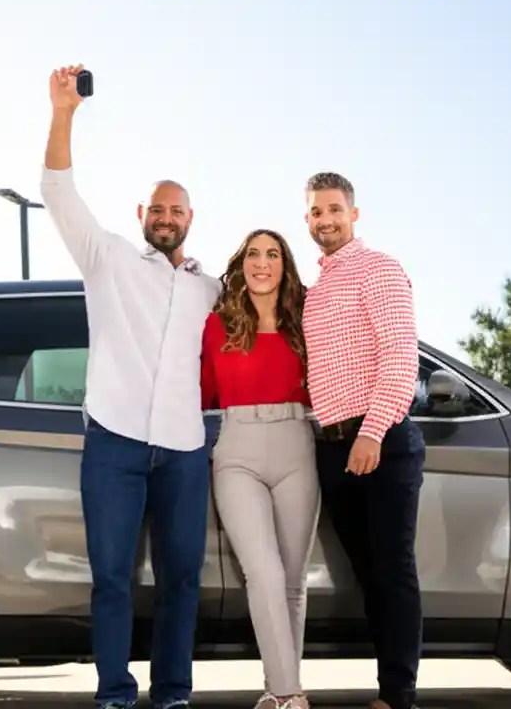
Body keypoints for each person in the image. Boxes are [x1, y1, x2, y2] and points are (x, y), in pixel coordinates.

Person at [39, 63, 221, 709]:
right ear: (142, 213)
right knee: (112, 579)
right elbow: (58, 192)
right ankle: (114, 692)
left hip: (183, 451)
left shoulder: (209, 287)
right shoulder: (107, 258)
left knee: (182, 580)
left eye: (178, 210)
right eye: (158, 208)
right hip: (113, 445)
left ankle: (172, 692)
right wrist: (64, 113)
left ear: (190, 219)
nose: (167, 217)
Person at [298, 171, 425, 709]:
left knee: (393, 570)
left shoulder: (380, 269)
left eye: (334, 209)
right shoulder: (316, 289)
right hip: (331, 449)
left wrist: (371, 433)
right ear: (307, 220)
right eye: (315, 212)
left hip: (381, 443)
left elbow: (400, 357)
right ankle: (390, 687)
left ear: (354, 213)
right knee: (370, 576)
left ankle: (397, 696)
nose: (325, 220)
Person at [200, 229, 319, 709]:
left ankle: (278, 691)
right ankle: (292, 693)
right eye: (253, 254)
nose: (262, 262)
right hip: (238, 449)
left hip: (296, 444)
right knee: (264, 572)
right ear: (241, 264)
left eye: (272, 254)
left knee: (292, 582)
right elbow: (200, 391)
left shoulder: (306, 322)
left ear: (285, 266)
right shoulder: (216, 324)